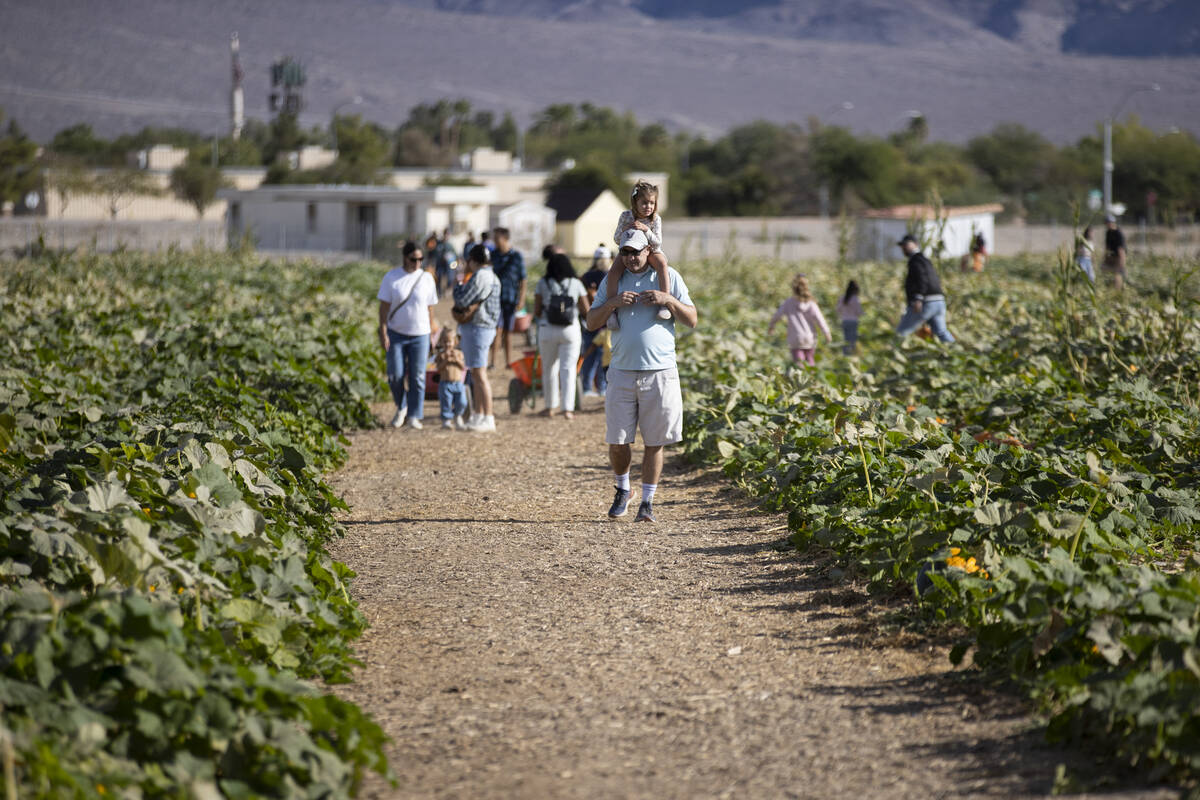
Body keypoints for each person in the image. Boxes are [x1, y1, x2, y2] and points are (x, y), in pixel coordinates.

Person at [586, 228, 698, 523]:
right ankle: (623, 489)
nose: (631, 257)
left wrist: (668, 300)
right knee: (618, 440)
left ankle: (647, 501)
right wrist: (612, 303)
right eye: (625, 252)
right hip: (621, 371)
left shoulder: (669, 276)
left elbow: (692, 319)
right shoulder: (613, 282)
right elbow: (590, 322)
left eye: (636, 251)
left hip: (660, 371)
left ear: (649, 250)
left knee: (654, 441)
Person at [377, 241, 440, 429]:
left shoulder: (427, 278)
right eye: (414, 259)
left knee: (418, 376)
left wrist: (431, 333)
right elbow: (383, 308)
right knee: (395, 375)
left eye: (421, 259)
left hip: (420, 333)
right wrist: (383, 331)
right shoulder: (392, 278)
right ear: (405, 258)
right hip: (396, 333)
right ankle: (402, 405)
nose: (418, 263)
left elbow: (430, 308)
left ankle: (414, 415)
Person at [605, 180, 674, 326]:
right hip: (629, 248)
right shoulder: (625, 216)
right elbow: (617, 239)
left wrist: (646, 230)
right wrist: (626, 230)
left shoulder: (655, 219)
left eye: (652, 203)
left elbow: (657, 242)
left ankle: (665, 302)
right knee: (613, 271)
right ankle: (612, 310)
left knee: (662, 263)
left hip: (650, 250)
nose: (648, 207)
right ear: (635, 202)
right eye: (644, 203)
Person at [533, 253, 590, 420]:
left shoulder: (543, 283)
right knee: (569, 369)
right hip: (570, 329)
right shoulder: (576, 283)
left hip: (547, 328)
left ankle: (550, 407)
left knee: (549, 369)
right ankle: (567, 409)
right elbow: (586, 310)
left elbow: (536, 310)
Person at [452, 245, 501, 432]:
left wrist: (458, 283)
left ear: (473, 260)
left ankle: (488, 417)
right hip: (486, 327)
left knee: (480, 375)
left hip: (479, 327)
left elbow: (462, 300)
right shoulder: (493, 276)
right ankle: (479, 414)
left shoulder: (480, 276)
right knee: (476, 374)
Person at [895, 234, 955, 343]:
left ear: (915, 244)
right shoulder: (925, 260)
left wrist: (918, 298)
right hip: (939, 301)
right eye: (902, 246)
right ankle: (954, 351)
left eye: (906, 245)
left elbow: (922, 278)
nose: (903, 248)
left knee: (902, 332)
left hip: (926, 302)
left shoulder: (916, 260)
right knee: (941, 332)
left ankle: (892, 355)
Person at [768, 273, 832, 366]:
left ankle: (801, 378)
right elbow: (820, 319)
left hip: (795, 337)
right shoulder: (811, 303)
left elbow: (777, 315)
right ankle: (812, 378)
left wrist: (771, 326)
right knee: (810, 360)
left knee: (799, 363)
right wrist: (827, 333)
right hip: (809, 337)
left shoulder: (789, 302)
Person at [490, 227, 527, 370]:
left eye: (497, 238)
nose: (495, 241)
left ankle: (508, 362)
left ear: (505, 239)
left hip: (511, 299)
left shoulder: (516, 257)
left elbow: (523, 280)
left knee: (508, 332)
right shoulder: (493, 256)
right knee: (496, 331)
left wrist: (522, 299)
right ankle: (493, 362)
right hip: (494, 299)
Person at [579, 269, 607, 397]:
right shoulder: (588, 291)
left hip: (603, 331)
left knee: (602, 361)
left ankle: (600, 387)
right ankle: (588, 387)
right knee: (591, 360)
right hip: (594, 330)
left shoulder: (603, 279)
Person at [581, 324, 612, 397]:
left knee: (605, 378)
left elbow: (593, 345)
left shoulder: (604, 332)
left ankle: (603, 390)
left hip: (606, 363)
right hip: (615, 363)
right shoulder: (619, 333)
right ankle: (603, 390)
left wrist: (585, 355)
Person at [835, 280, 863, 355]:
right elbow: (859, 312)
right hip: (853, 321)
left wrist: (844, 313)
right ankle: (851, 356)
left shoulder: (842, 298)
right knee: (852, 340)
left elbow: (838, 309)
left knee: (846, 340)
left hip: (844, 321)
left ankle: (845, 355)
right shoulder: (855, 299)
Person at [1103, 215, 1128, 290]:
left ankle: (1118, 290)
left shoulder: (1118, 233)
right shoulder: (1108, 232)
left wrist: (1122, 261)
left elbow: (1121, 249)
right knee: (1105, 270)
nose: (1108, 225)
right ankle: (1110, 287)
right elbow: (1107, 246)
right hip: (1111, 256)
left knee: (1118, 273)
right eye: (1106, 223)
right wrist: (1106, 257)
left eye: (1109, 223)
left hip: (1119, 256)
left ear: (1113, 223)